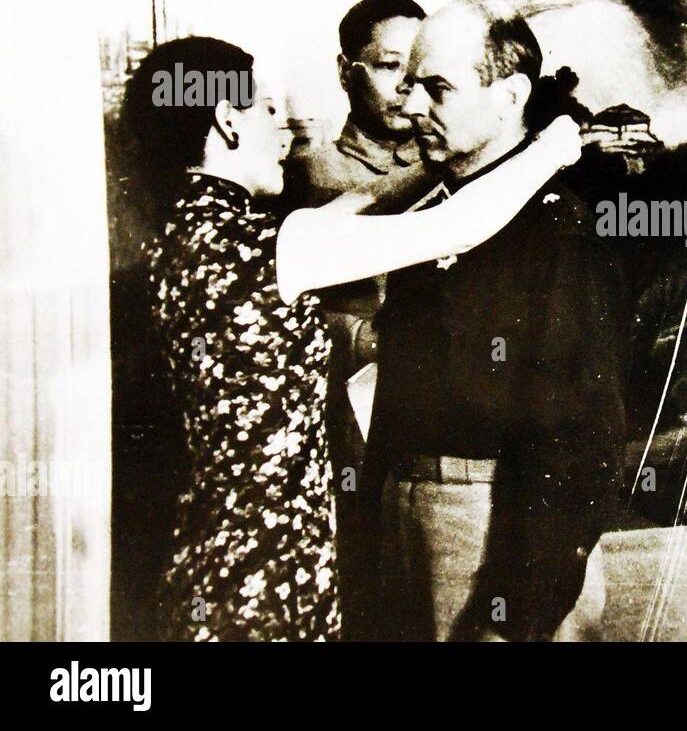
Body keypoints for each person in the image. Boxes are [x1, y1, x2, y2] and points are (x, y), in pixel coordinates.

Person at [126, 35, 581, 640]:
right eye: (265, 109)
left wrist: (447, 152)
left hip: (212, 555)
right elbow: (457, 227)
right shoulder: (269, 247)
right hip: (266, 569)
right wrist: (552, 143)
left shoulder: (189, 235)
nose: (283, 129)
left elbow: (362, 202)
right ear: (225, 121)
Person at [363, 0, 627, 642]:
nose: (413, 108)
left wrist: (514, 614)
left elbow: (577, 441)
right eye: (408, 88)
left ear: (509, 95)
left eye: (438, 90)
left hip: (494, 540)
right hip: (410, 525)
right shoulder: (429, 216)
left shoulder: (560, 231)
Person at [280, 0, 428, 638]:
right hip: (348, 427)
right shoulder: (312, 174)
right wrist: (367, 337)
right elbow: (288, 312)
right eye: (391, 64)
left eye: (419, 67)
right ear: (347, 71)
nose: (409, 85)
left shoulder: (454, 166)